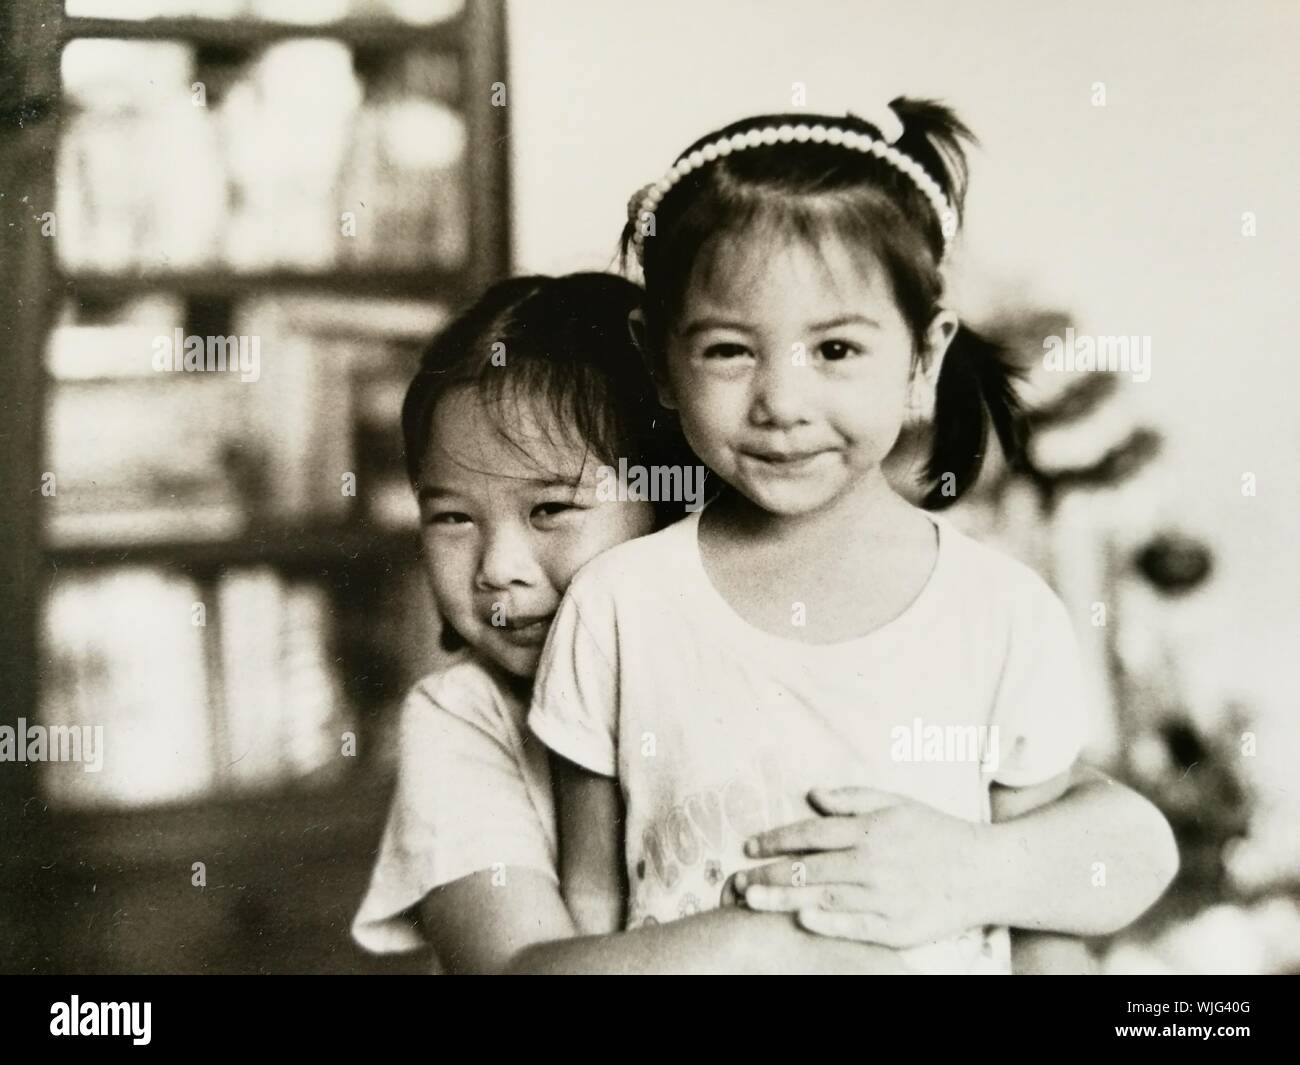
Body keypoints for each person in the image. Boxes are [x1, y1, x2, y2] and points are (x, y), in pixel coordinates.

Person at [527, 101, 1178, 973]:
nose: (781, 402)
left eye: (834, 350)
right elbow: (590, 913)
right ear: (658, 361)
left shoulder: (1003, 615)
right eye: (728, 350)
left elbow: (1042, 918)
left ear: (923, 358)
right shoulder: (618, 607)